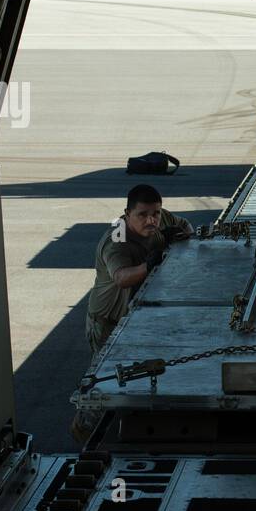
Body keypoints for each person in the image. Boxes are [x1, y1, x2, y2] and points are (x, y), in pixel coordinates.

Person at [72, 185, 193, 443]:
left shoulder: (161, 218)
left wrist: (180, 236)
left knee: (140, 371)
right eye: (142, 215)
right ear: (127, 213)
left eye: (156, 214)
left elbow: (186, 227)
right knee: (102, 380)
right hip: (108, 321)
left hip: (138, 315)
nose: (151, 220)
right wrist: (150, 264)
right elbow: (122, 277)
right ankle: (84, 431)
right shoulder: (116, 240)